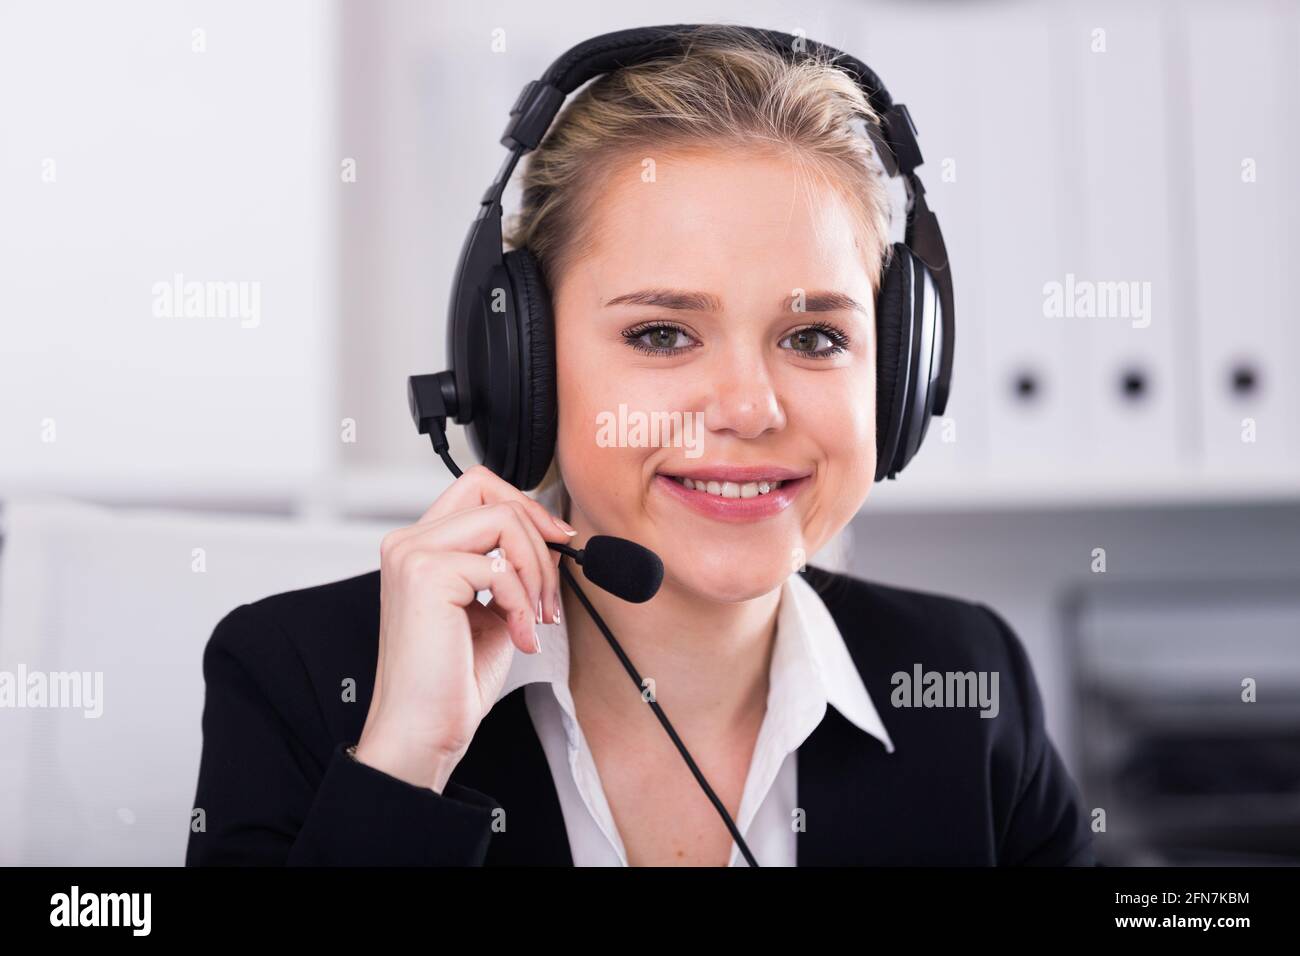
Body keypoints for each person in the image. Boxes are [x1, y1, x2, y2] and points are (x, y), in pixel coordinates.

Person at [186, 24, 1094, 867]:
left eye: (815, 337)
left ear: (899, 377)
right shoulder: (303, 679)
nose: (747, 408)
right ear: (519, 369)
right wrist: (402, 767)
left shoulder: (967, 684)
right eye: (662, 334)